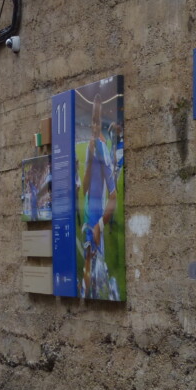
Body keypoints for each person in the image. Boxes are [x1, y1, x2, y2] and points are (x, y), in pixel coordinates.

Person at [80, 97, 117, 298]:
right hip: (87, 218)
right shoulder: (90, 147)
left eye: (97, 120)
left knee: (93, 274)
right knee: (87, 275)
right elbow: (84, 189)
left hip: (95, 222)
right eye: (91, 121)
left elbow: (114, 196)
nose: (93, 126)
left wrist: (100, 226)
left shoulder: (102, 150)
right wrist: (87, 164)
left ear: (100, 123)